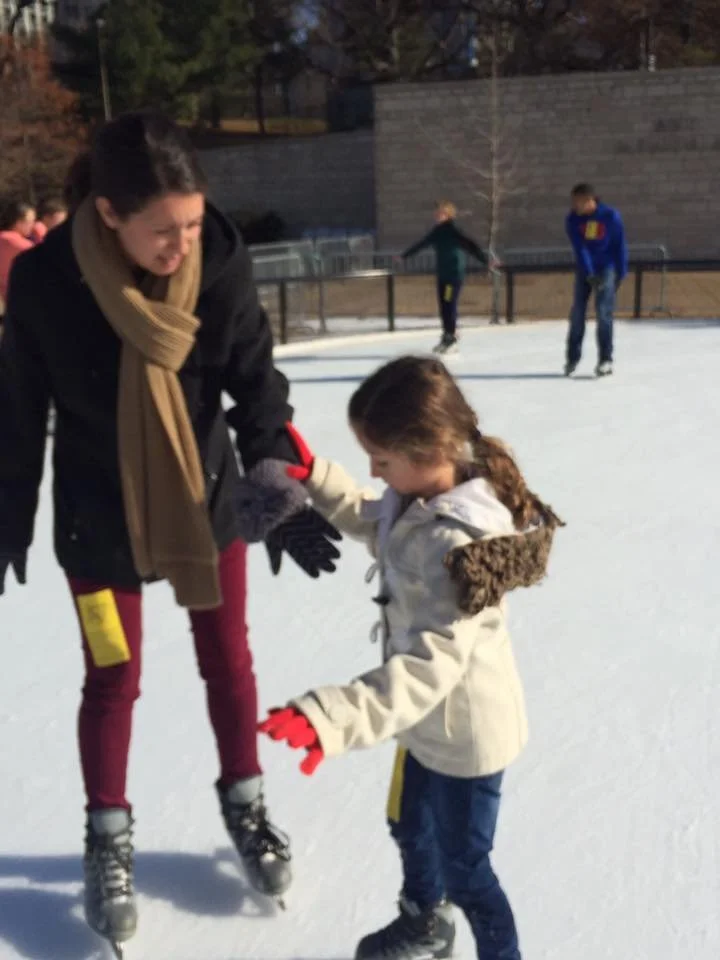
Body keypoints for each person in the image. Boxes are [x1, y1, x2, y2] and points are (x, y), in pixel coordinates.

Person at [0, 112, 341, 954]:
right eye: (164, 230)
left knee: (228, 660)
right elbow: (17, 413)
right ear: (109, 215)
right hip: (96, 519)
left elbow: (257, 391)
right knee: (112, 678)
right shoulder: (45, 282)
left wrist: (277, 497)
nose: (182, 244)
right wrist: (8, 515)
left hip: (205, 503)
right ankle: (107, 840)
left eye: (191, 222)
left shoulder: (219, 261)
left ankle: (246, 805)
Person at [260, 356, 564, 960]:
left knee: (468, 872)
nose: (374, 470)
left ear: (430, 449)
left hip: (466, 741)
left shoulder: (458, 543)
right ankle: (424, 919)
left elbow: (429, 667)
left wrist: (331, 716)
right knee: (407, 823)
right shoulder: (418, 498)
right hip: (420, 725)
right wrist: (318, 476)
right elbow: (378, 523)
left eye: (382, 458)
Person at [401, 202, 489, 355]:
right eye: (436, 213)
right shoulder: (437, 232)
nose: (436, 216)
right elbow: (422, 244)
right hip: (443, 275)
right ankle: (447, 335)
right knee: (443, 306)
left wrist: (486, 261)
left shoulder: (453, 230)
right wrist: (404, 256)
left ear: (448, 215)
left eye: (440, 214)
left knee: (449, 304)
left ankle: (452, 336)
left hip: (453, 275)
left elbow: (470, 245)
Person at [565, 183, 628, 378]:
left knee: (603, 313)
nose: (574, 206)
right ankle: (572, 358)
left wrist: (621, 273)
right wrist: (589, 273)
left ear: (589, 200)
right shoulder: (572, 219)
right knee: (577, 314)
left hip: (607, 268)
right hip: (585, 269)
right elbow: (580, 248)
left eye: (578, 202)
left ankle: (605, 359)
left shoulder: (610, 216)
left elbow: (619, 245)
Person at [0, 201, 36, 310]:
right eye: (30, 222)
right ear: (18, 222)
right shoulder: (22, 245)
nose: (33, 226)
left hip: (8, 300)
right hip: (28, 300)